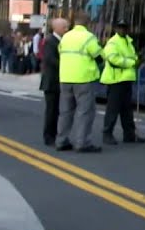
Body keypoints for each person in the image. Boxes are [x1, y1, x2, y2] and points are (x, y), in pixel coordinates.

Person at [56, 11, 103, 153]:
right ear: (87, 23)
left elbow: (60, 52)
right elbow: (98, 55)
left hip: (65, 78)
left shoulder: (65, 37)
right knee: (85, 112)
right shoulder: (89, 37)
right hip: (83, 79)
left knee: (65, 112)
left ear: (74, 22)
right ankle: (82, 143)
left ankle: (61, 141)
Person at [101, 19, 145, 145]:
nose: (122, 30)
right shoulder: (112, 42)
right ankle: (107, 134)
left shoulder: (129, 42)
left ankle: (129, 134)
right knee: (113, 109)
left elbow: (132, 57)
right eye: (120, 27)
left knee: (127, 109)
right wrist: (133, 63)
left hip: (126, 79)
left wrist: (138, 59)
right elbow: (113, 59)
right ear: (116, 29)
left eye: (124, 27)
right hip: (116, 80)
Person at [39, 18, 67, 147]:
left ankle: (55, 134)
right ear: (56, 28)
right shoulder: (50, 41)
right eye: (64, 27)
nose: (66, 29)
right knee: (51, 110)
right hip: (51, 81)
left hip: (57, 80)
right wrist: (66, 65)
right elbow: (50, 59)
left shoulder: (61, 41)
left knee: (57, 110)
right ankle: (49, 136)